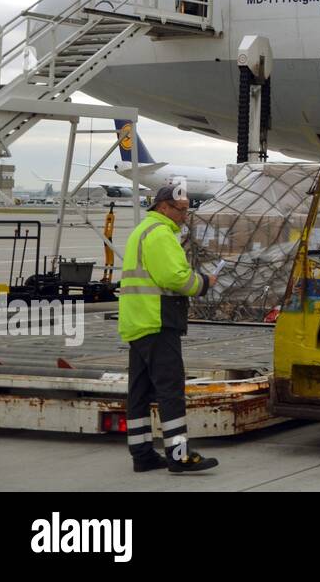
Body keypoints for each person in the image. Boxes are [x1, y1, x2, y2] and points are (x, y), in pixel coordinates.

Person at [118, 182, 219, 473]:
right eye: (181, 209)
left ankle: (142, 453)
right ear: (163, 207)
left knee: (139, 390)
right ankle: (178, 453)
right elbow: (174, 277)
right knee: (170, 387)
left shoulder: (143, 230)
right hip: (157, 320)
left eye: (188, 209)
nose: (185, 215)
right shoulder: (160, 234)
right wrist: (202, 283)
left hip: (138, 321)